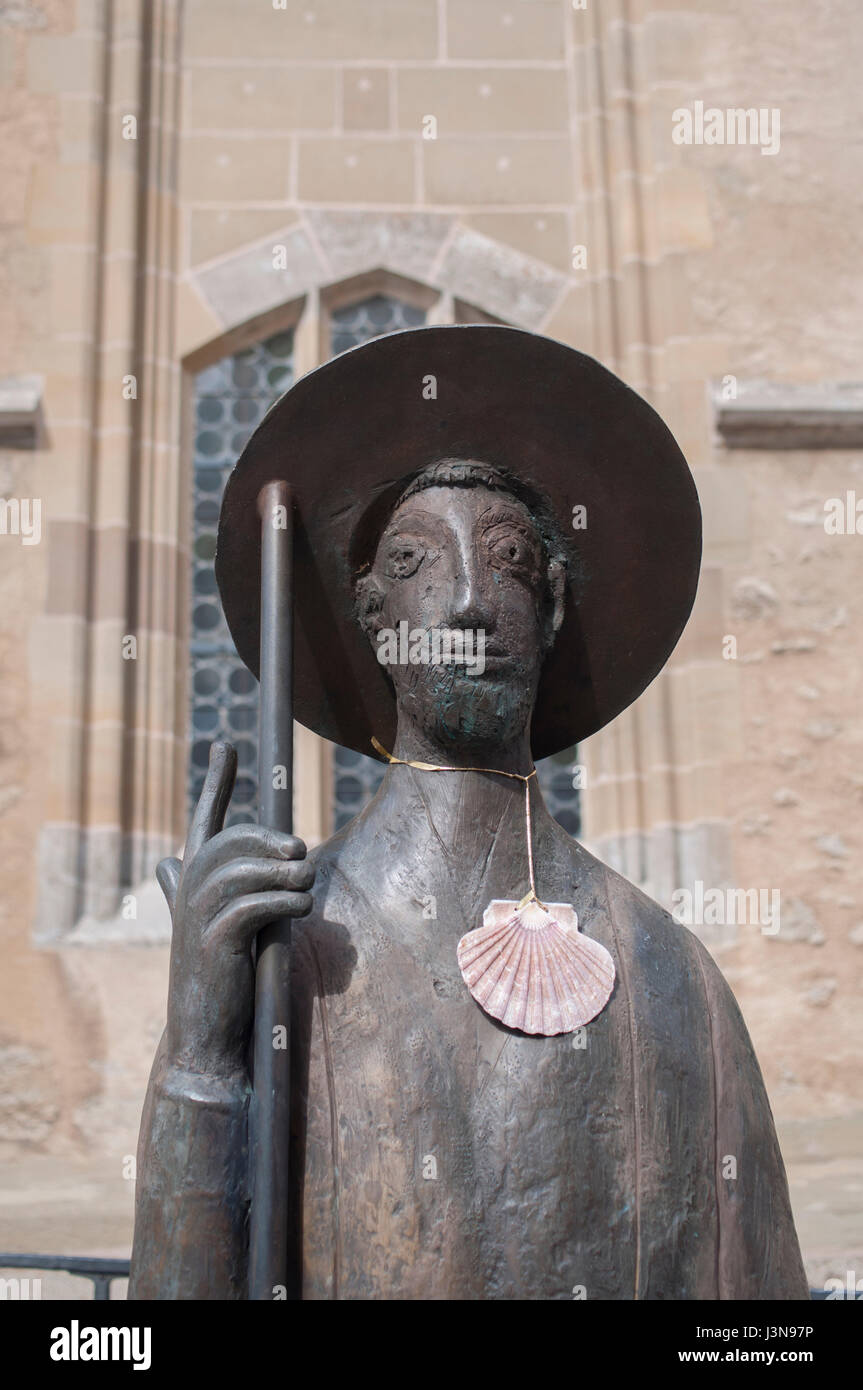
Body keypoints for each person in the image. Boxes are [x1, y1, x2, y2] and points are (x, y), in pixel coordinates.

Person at [129, 328, 808, 1300]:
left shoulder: (672, 977)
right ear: (373, 619)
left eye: (508, 563)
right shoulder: (285, 945)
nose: (466, 606)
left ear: (553, 606)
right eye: (414, 564)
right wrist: (200, 1046)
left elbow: (758, 1316)